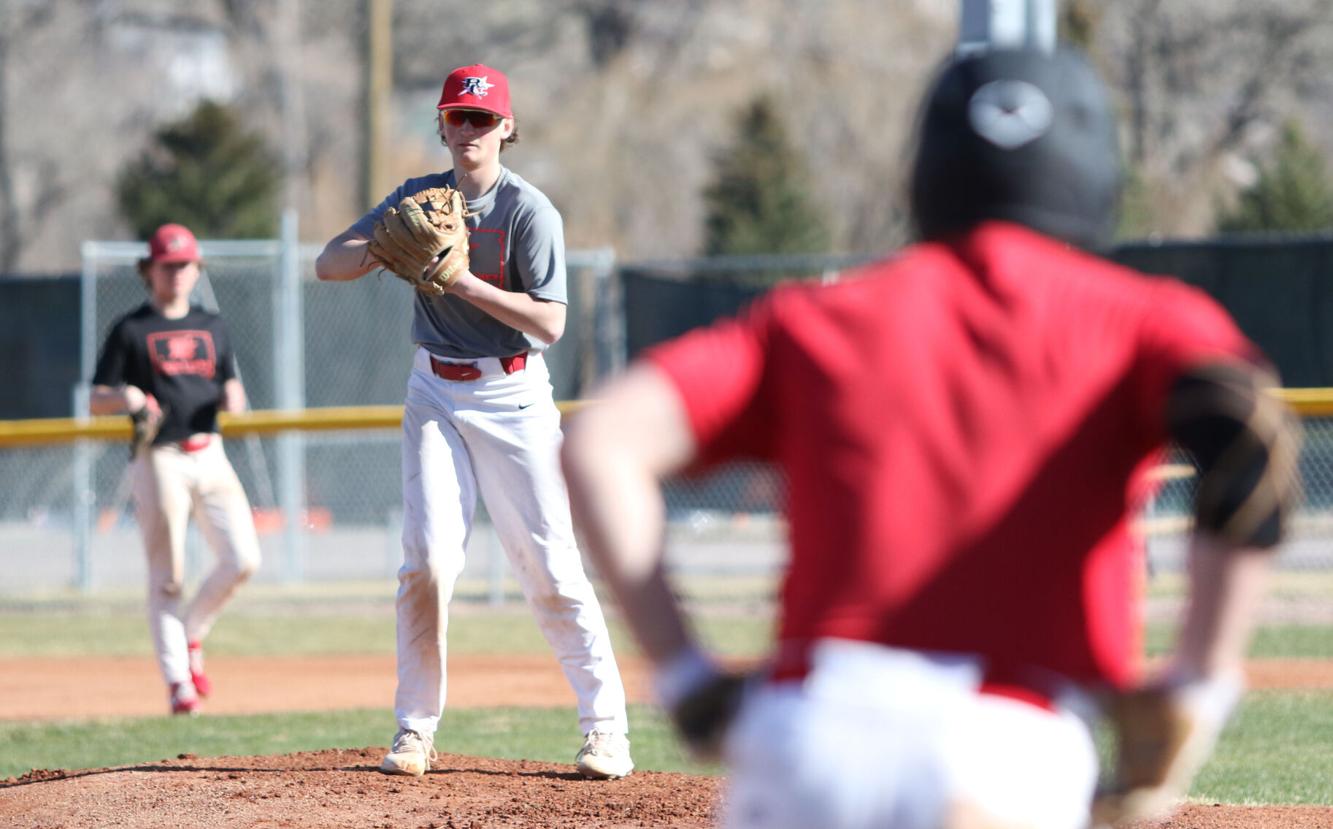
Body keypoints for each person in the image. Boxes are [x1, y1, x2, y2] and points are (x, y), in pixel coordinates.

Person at [561, 47, 1300, 829]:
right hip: (1008, 740)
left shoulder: (815, 318)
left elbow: (601, 440)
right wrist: (1198, 681)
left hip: (810, 733)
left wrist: (684, 674)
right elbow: (1247, 431)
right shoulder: (1143, 318)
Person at [315, 63, 633, 780]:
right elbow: (326, 265)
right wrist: (382, 246)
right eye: (458, 117)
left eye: (483, 119)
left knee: (550, 570)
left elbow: (549, 323)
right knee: (425, 561)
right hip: (434, 390)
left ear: (507, 128)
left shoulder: (529, 212)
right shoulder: (417, 199)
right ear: (441, 125)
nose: (469, 130)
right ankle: (413, 730)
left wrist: (458, 279)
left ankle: (604, 728)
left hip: (513, 397)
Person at [90, 223, 262, 716]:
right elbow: (96, 398)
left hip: (210, 451)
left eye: (185, 264)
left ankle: (191, 634)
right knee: (168, 578)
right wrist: (123, 395)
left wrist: (235, 397)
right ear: (150, 270)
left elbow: (232, 387)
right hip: (159, 457)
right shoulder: (132, 329)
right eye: (168, 264)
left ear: (196, 268)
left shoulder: (213, 325)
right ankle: (177, 685)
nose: (177, 273)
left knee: (243, 559)